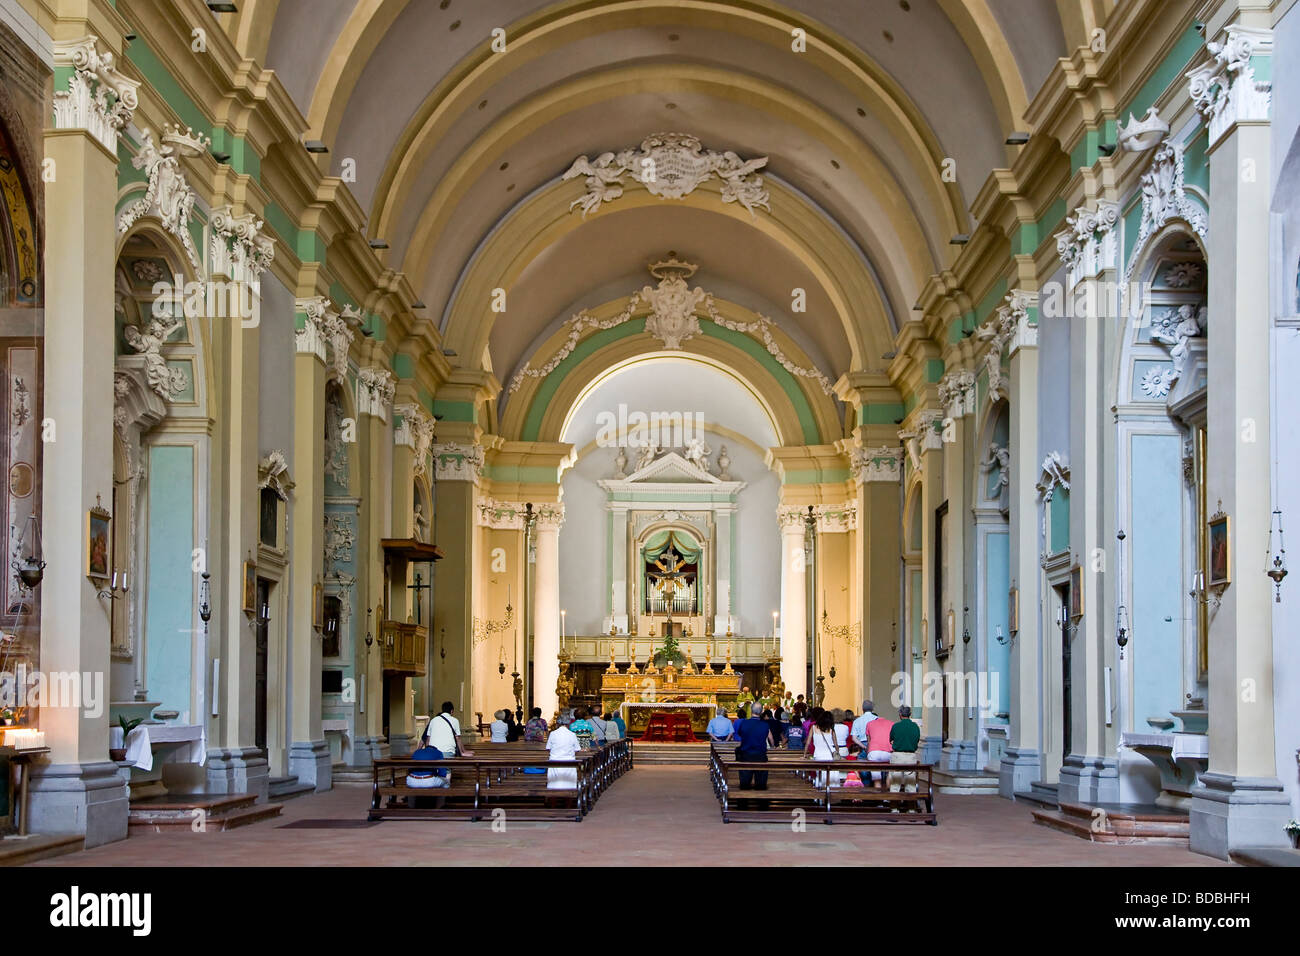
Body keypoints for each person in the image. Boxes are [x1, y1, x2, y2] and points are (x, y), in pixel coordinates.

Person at [734, 704, 774, 790]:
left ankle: (743, 802)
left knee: (744, 785)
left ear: (751, 711)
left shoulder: (744, 723)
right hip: (760, 756)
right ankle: (761, 801)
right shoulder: (765, 725)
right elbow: (769, 738)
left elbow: (740, 734)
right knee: (761, 785)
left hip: (746, 756)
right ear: (761, 712)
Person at [809, 708, 849, 788]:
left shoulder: (815, 727)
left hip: (818, 754)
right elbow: (836, 743)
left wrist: (804, 755)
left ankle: (821, 793)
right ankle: (832, 792)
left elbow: (808, 742)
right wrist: (837, 753)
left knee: (821, 775)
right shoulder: (840, 728)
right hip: (831, 754)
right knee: (833, 775)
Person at [889, 705, 922, 794]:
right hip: (910, 756)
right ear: (910, 714)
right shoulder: (915, 727)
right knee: (911, 784)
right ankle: (911, 807)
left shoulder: (896, 726)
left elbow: (891, 740)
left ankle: (894, 807)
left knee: (895, 784)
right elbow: (917, 740)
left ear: (900, 714)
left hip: (897, 756)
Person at [546, 713, 580, 790]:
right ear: (568, 723)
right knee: (569, 786)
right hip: (569, 763)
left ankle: (552, 800)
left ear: (558, 723)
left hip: (554, 763)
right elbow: (577, 749)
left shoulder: (553, 734)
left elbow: (548, 748)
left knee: (553, 785)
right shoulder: (572, 735)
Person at [864, 707, 895, 791]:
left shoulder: (870, 724)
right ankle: (888, 798)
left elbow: (869, 741)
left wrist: (867, 753)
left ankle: (879, 800)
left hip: (874, 752)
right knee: (889, 774)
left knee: (877, 779)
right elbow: (893, 740)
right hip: (888, 752)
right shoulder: (892, 723)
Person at [849, 700, 880, 782]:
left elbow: (854, 738)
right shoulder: (877, 719)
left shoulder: (857, 721)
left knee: (863, 768)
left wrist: (863, 746)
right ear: (872, 709)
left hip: (861, 745)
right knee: (875, 769)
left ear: (863, 709)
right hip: (875, 745)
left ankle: (865, 788)